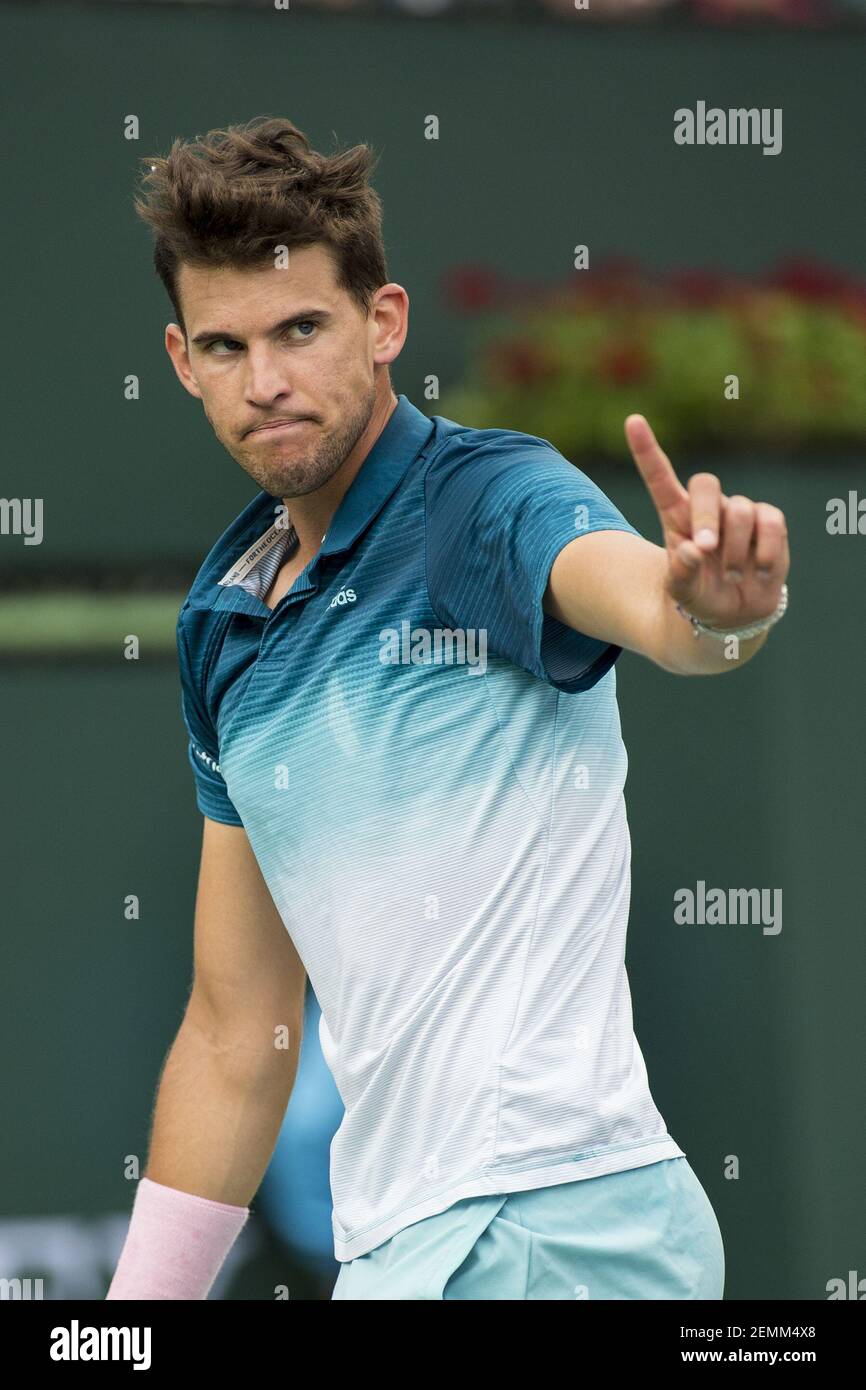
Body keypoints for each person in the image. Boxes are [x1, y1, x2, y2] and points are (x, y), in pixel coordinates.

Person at [107, 116, 789, 1301]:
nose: (264, 382)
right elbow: (235, 1031)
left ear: (383, 325)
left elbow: (659, 613)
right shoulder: (222, 626)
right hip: (397, 1252)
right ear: (178, 358)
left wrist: (717, 609)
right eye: (224, 346)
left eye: (300, 329)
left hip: (561, 1231)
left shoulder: (483, 501)